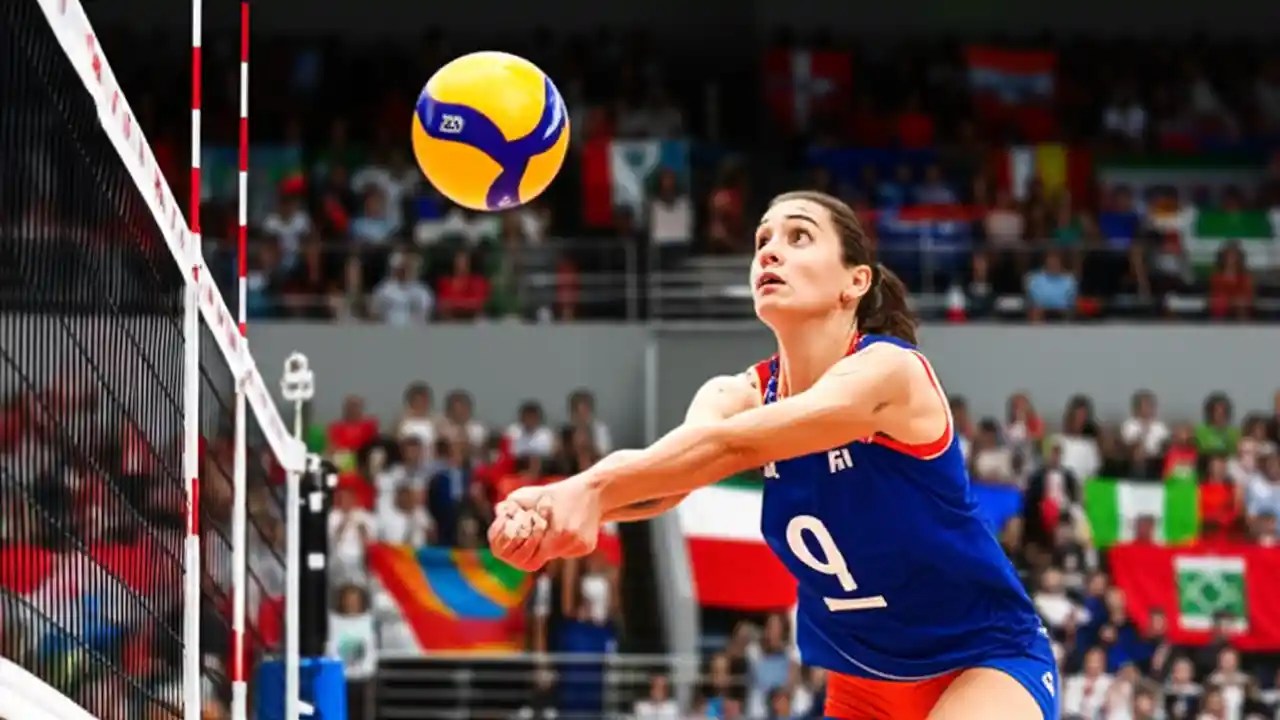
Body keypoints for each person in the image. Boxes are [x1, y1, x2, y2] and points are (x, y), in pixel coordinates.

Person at [488, 190, 1059, 720]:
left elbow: (734, 446)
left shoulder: (891, 371)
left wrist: (586, 490)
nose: (771, 253)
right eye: (762, 241)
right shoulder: (731, 392)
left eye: (798, 237)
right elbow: (676, 474)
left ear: (854, 281)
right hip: (862, 680)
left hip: (984, 658)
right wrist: (555, 516)